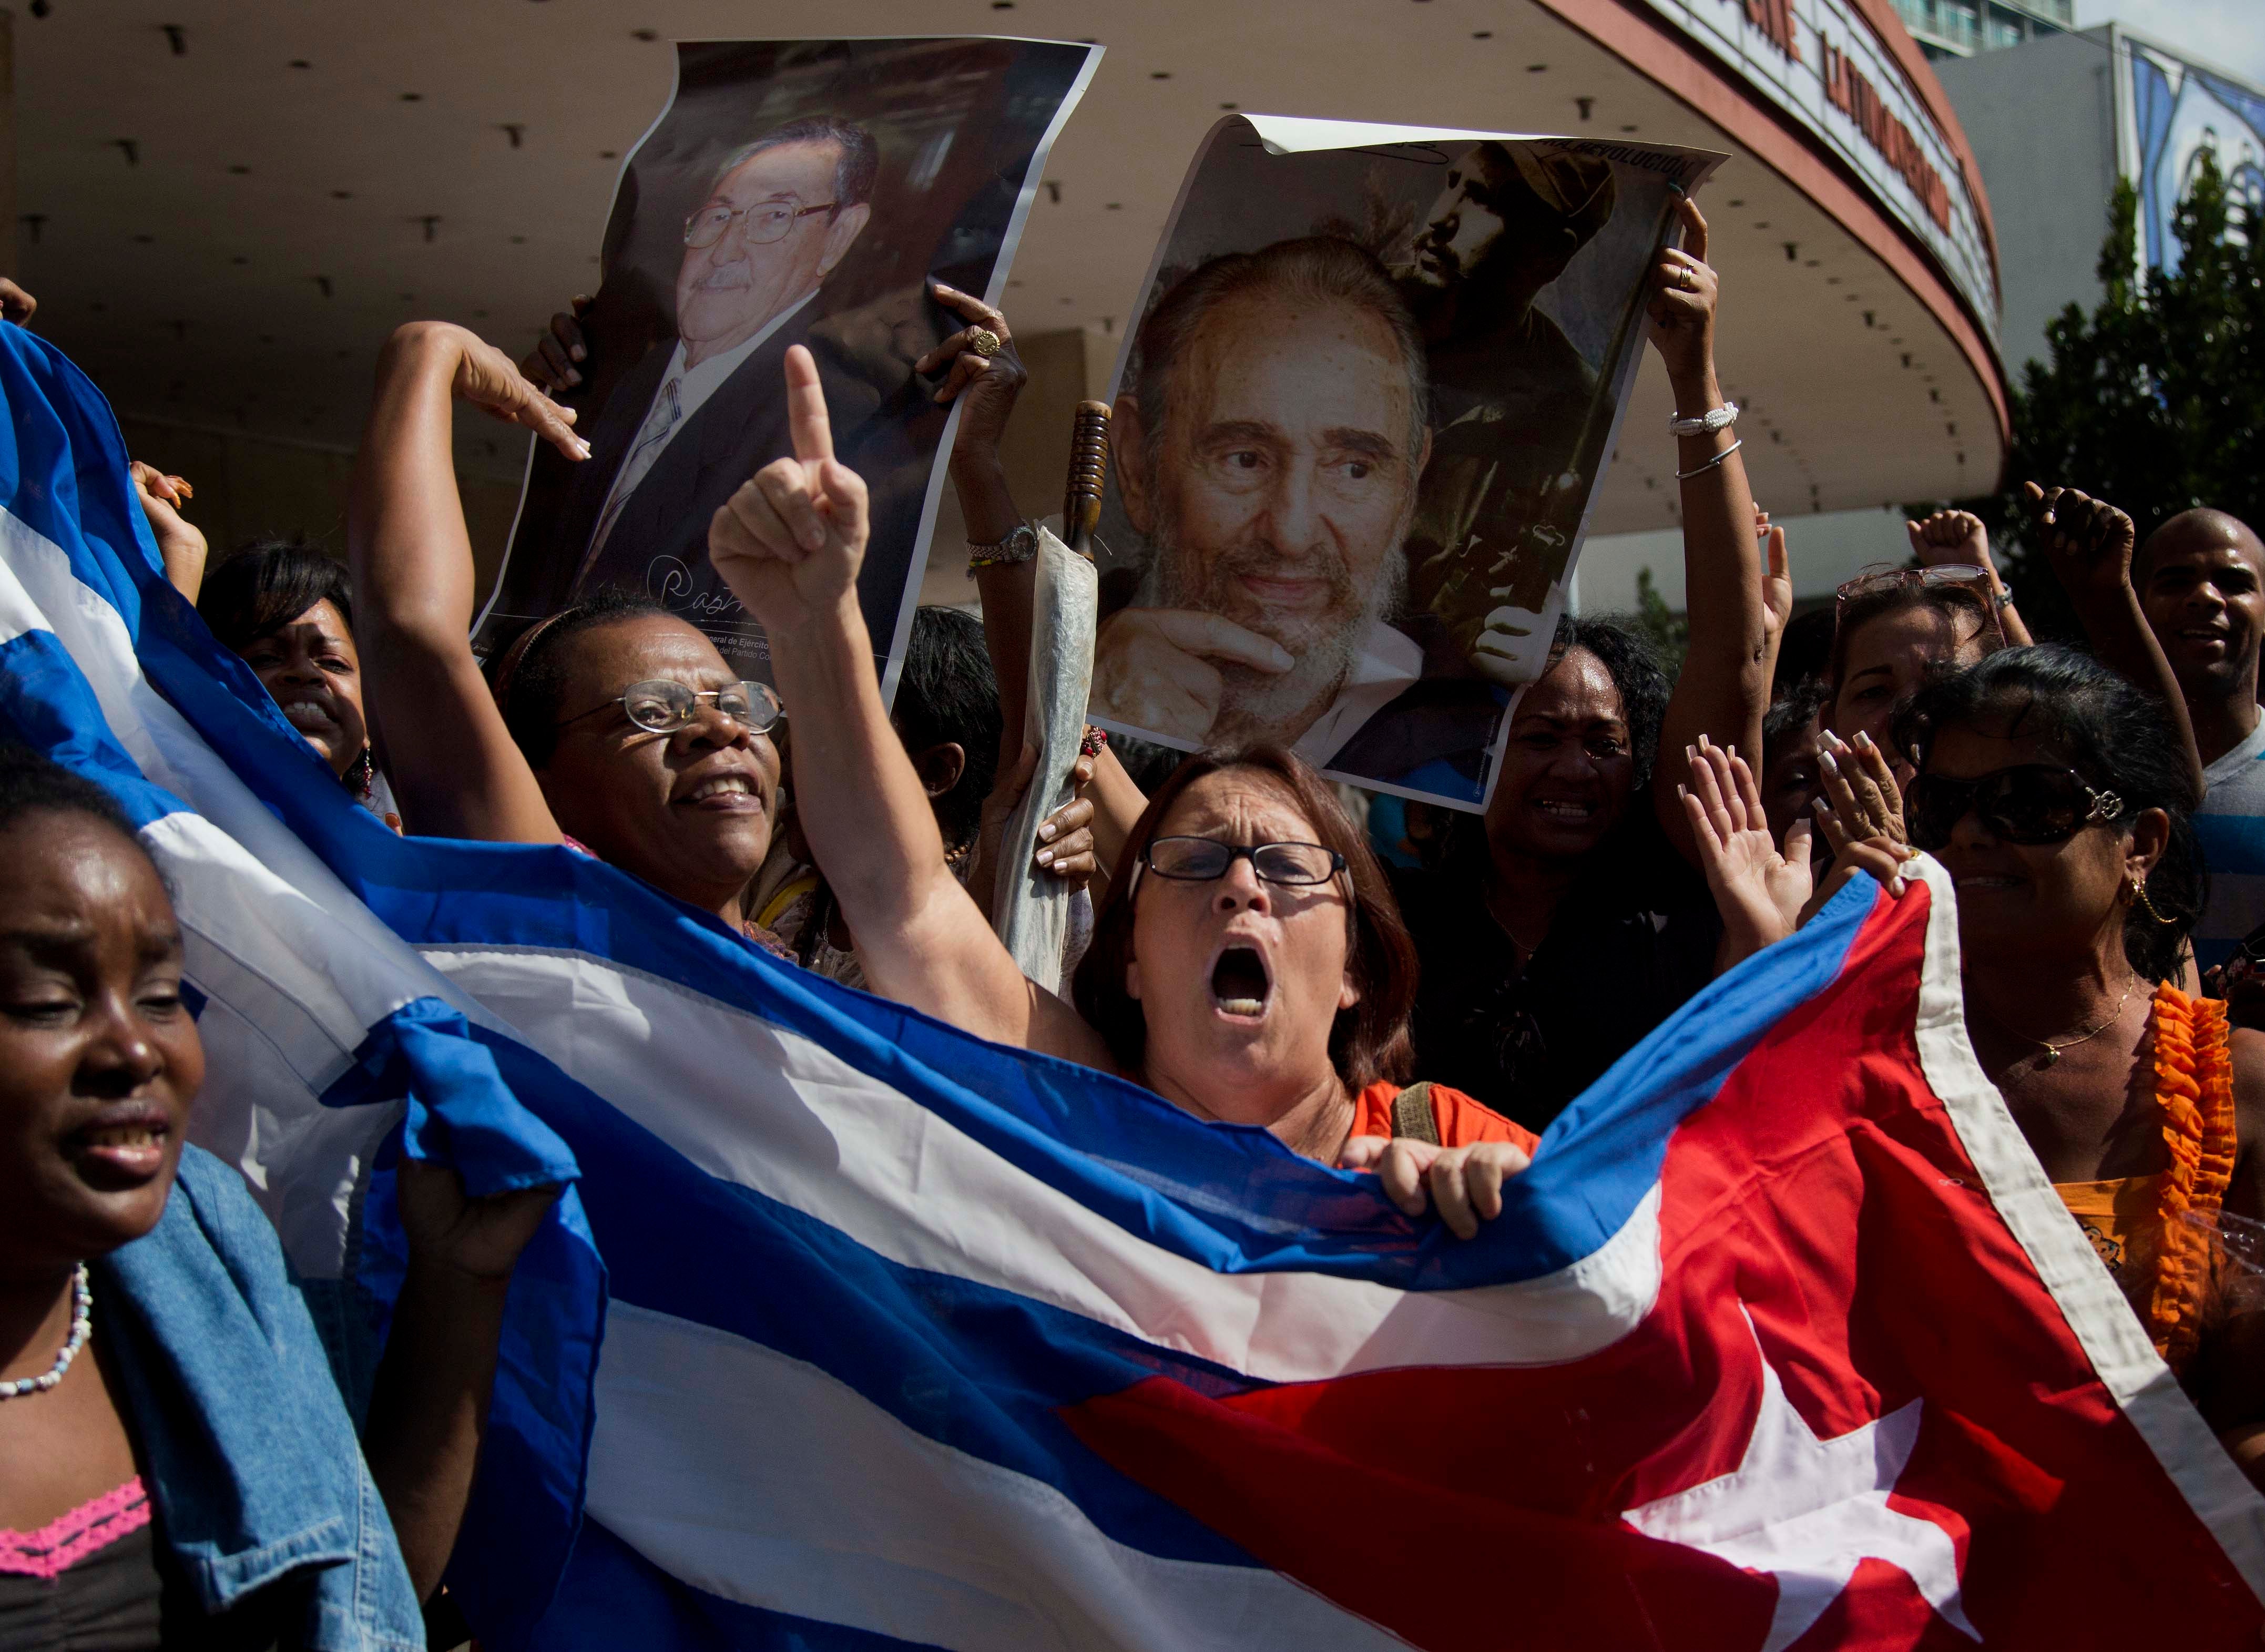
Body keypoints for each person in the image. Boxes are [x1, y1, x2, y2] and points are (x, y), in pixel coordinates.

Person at [707, 343, 1535, 1237]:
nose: (1242, 885)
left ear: (1352, 968)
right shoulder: (1073, 1126)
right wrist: (814, 622)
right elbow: (897, 896)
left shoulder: (1454, 1146)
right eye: (1192, 859)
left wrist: (1529, 1221)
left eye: (1289, 866)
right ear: (1131, 958)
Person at [0, 746, 556, 1639]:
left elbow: (353, 1603)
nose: (134, 1051)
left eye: (156, 994)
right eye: (46, 1001)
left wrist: (459, 1283)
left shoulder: (207, 1246)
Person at [1386, 198, 1771, 1130]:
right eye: (1541, 736)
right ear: (1481, 744)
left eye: (1603, 742)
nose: (1574, 767)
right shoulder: (1398, 925)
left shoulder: (1676, 901)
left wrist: (1692, 375)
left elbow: (1729, 645)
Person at [506, 119, 927, 676]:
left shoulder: (844, 416)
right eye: (718, 216)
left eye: (774, 217)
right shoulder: (617, 375)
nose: (727, 248)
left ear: (840, 235)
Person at [1090, 235, 1502, 800]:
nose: (1291, 534)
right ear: (1138, 466)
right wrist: (1080, 733)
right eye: (1245, 459)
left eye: (1354, 469)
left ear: (1411, 488)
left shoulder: (1491, 738)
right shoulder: (1035, 692)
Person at [1392, 142, 1618, 674]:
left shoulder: (1573, 409)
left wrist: (1534, 645)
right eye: (1451, 186)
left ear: (1550, 253)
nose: (1441, 218)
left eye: (1482, 202)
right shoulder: (1347, 312)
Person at [2124, 507, 2265, 975]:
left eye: (2234, 582)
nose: (2205, 597)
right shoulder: (2095, 777)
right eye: (2175, 582)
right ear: (2136, 608)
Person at [194, 541, 397, 827]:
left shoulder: (392, 860)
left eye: (333, 662)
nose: (305, 672)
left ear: (370, 727)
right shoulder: (168, 820)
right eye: (265, 658)